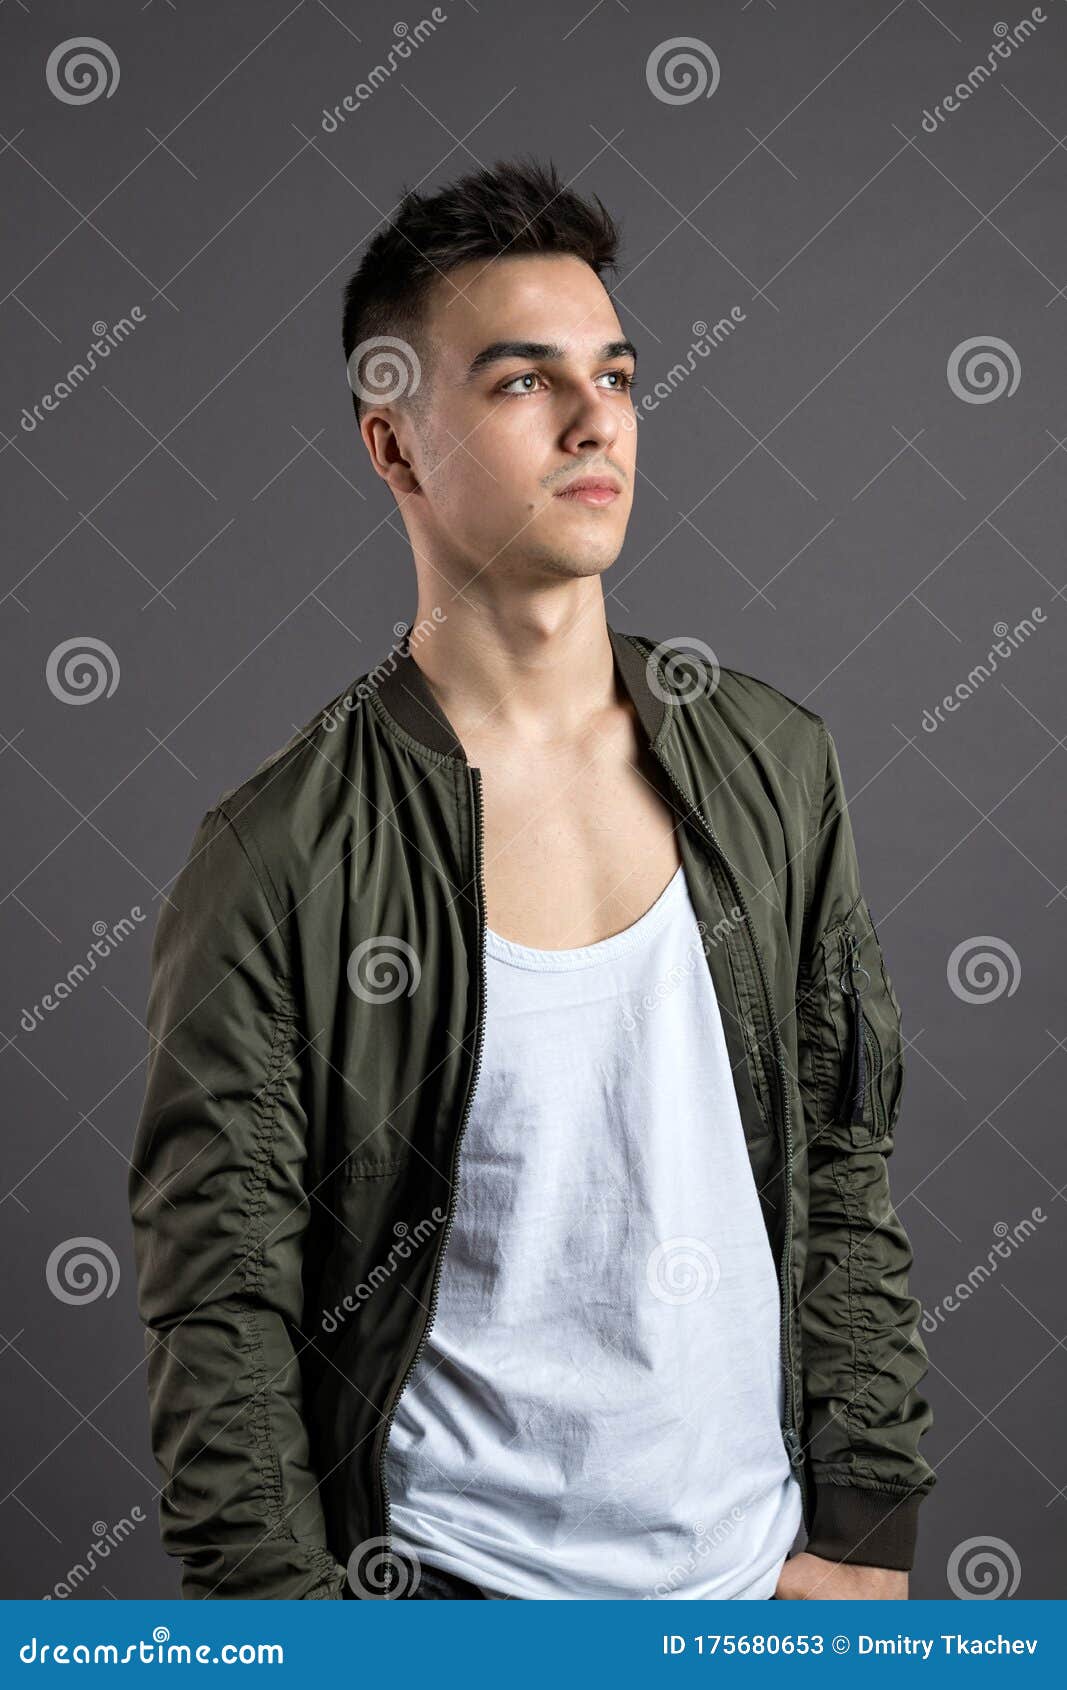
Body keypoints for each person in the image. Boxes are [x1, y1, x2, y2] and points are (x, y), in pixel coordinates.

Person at [128, 157, 934, 1602]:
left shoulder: (776, 767)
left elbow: (844, 1163)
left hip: (764, 1595)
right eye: (519, 384)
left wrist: (866, 1536)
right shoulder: (277, 859)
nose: (592, 419)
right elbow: (223, 1319)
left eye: (614, 374)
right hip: (449, 1602)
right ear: (394, 445)